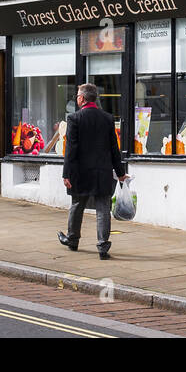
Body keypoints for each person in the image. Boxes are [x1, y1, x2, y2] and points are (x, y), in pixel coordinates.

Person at [58, 82, 127, 260]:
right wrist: (120, 172)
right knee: (103, 208)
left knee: (77, 205)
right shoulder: (107, 118)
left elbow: (70, 149)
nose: (77, 99)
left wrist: (66, 173)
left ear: (82, 98)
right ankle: (103, 246)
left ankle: (73, 240)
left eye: (77, 96)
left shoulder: (75, 118)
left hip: (81, 172)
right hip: (102, 172)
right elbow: (114, 149)